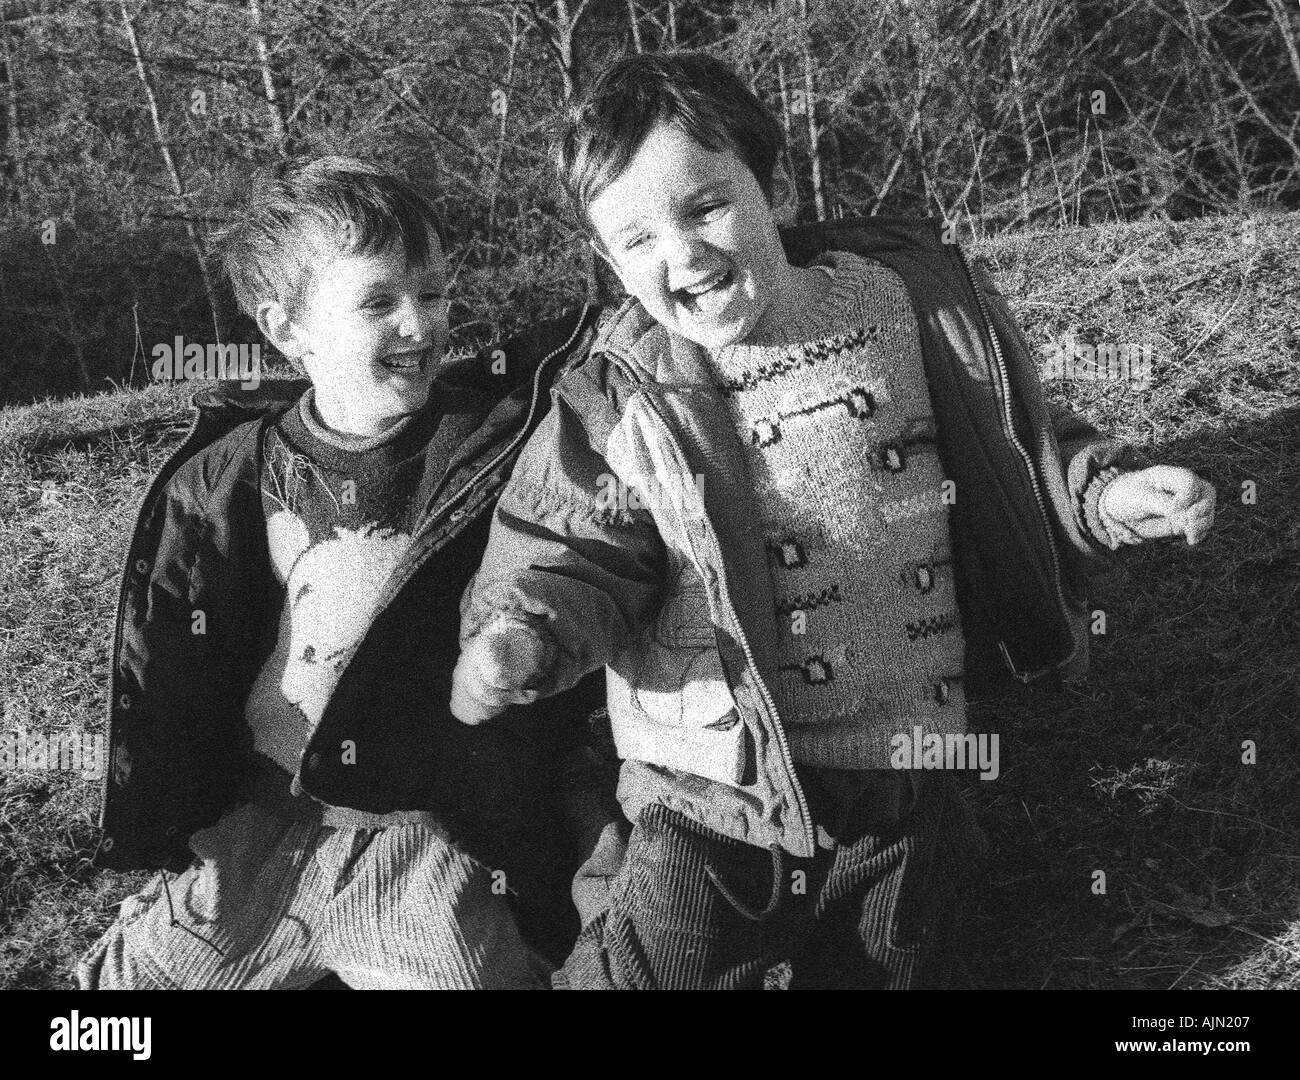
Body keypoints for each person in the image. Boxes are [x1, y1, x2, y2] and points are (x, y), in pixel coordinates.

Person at [449, 53, 1217, 989]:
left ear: (766, 185)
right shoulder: (624, 393)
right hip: (713, 787)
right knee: (656, 970)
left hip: (911, 761)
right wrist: (521, 630)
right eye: (638, 238)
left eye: (705, 208)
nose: (682, 256)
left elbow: (1012, 446)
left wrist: (1105, 500)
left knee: (898, 963)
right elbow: (573, 547)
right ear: (609, 262)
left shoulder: (903, 309)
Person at [78, 155, 604, 989]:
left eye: (431, 293)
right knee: (125, 1001)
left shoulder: (492, 436)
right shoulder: (234, 474)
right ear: (288, 329)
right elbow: (180, 655)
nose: (419, 324)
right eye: (378, 302)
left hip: (422, 830)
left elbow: (609, 335)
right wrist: (171, 807)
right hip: (265, 819)